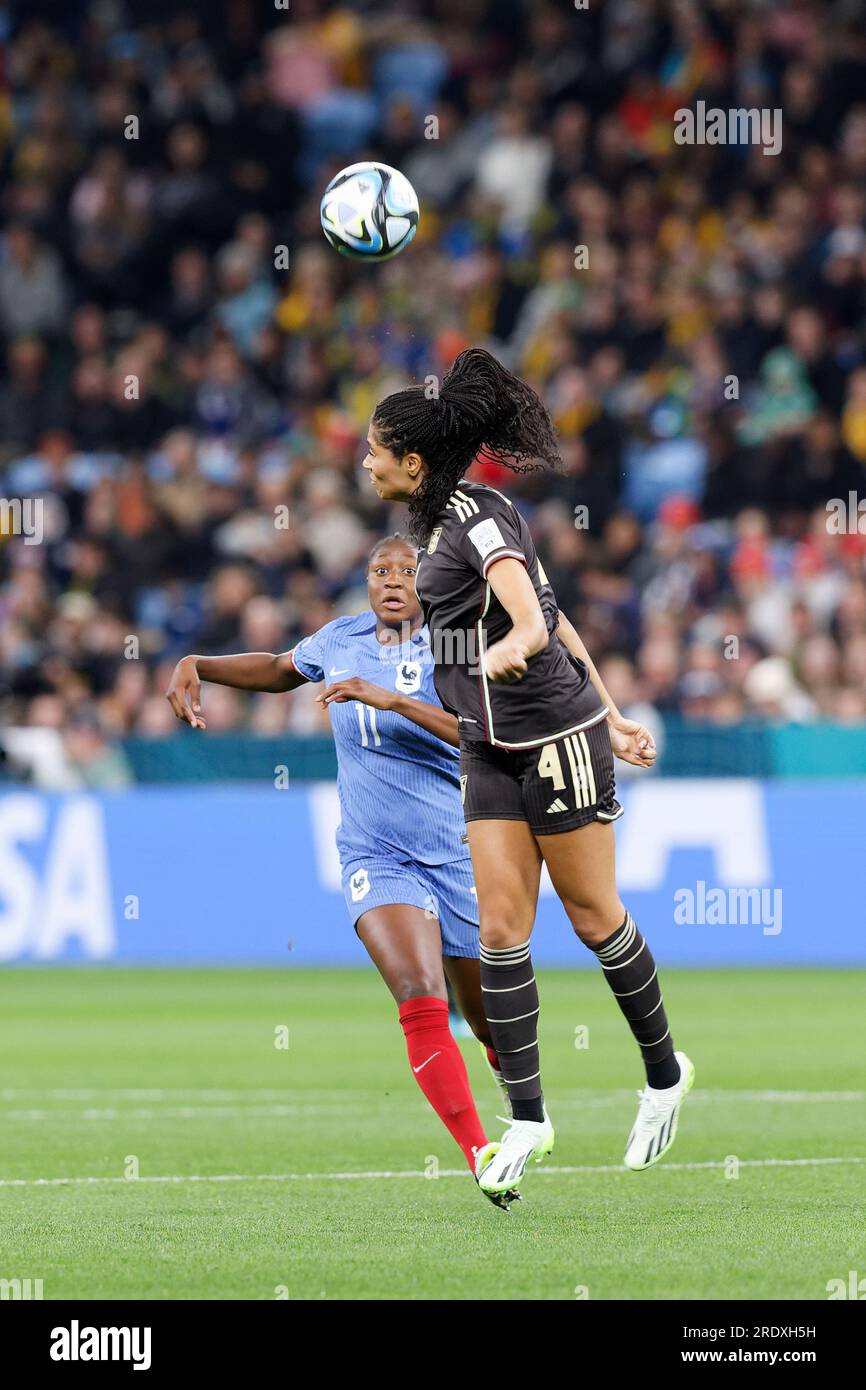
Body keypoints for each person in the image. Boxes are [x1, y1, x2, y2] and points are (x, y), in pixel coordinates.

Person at [362, 347, 694, 1197]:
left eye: (375, 450)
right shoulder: (434, 529)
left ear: (412, 463)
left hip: (552, 738)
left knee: (593, 919)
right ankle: (529, 1118)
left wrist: (536, 665)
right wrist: (616, 709)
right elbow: (557, 610)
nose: (365, 462)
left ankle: (665, 1075)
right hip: (485, 745)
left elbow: (535, 622)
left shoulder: (476, 520)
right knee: (501, 930)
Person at [166, 534, 520, 1209]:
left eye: (407, 570)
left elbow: (484, 736)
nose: (393, 580)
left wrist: (395, 702)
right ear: (366, 581)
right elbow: (278, 668)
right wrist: (198, 663)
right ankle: (482, 1153)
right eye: (380, 570)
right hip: (374, 853)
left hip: (455, 853)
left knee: (487, 1021)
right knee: (418, 991)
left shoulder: (452, 646)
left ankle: (519, 1099)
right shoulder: (339, 639)